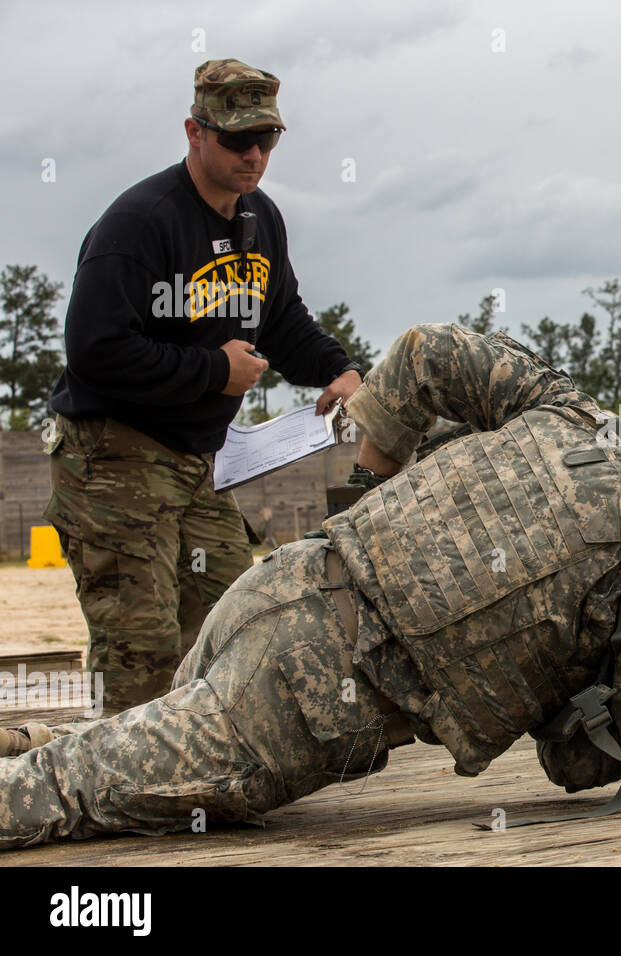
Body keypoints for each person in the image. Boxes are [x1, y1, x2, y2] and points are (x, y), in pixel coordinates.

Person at [0, 324, 621, 849]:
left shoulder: (569, 413)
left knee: (103, 752)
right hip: (304, 704)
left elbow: (424, 353)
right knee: (64, 798)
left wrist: (378, 491)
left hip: (281, 586)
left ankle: (37, 736)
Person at [42, 59, 365, 713]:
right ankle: (122, 798)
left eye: (265, 140)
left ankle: (200, 784)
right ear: (195, 132)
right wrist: (215, 372)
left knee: (229, 630)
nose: (252, 155)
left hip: (198, 463)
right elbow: (95, 350)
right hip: (115, 458)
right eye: (236, 139)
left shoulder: (260, 219)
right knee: (143, 646)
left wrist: (338, 368)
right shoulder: (140, 223)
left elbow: (280, 318)